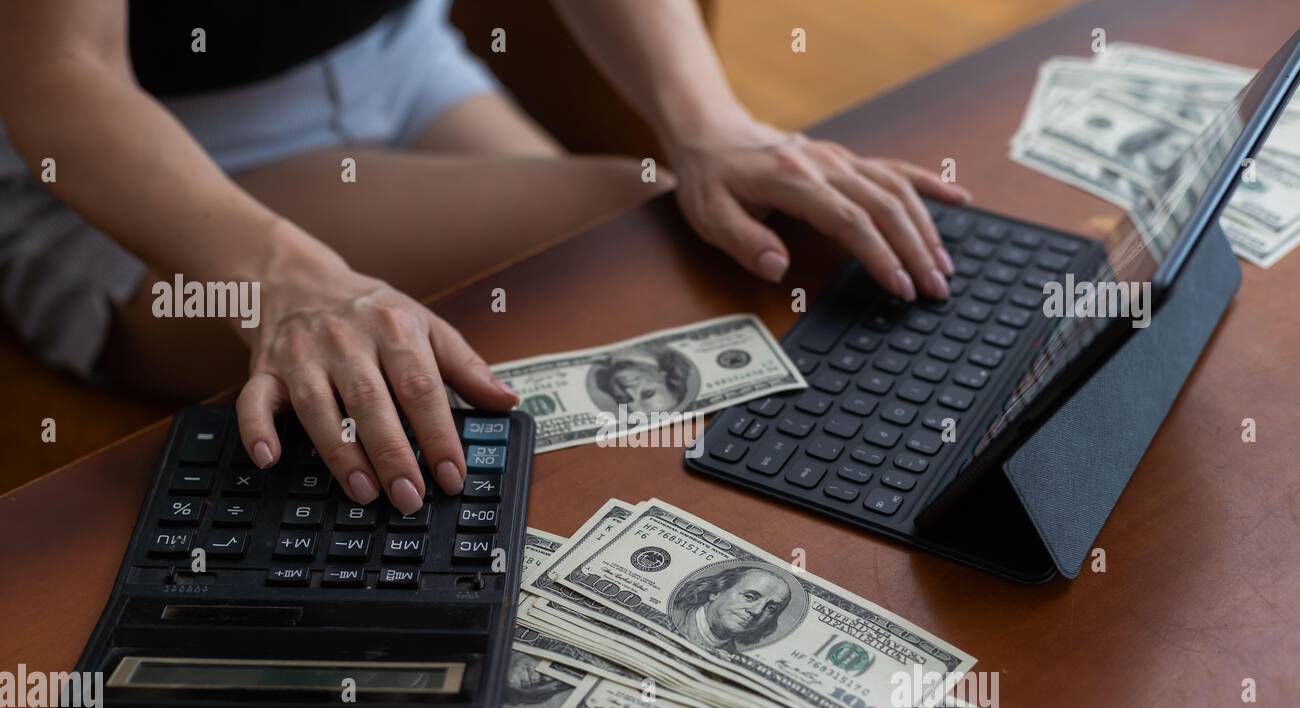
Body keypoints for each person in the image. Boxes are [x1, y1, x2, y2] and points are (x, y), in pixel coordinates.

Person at [0, 0, 970, 516]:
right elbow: (60, 72)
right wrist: (288, 279)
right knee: (633, 262)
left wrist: (711, 122)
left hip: (401, 58)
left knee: (679, 284)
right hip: (129, 171)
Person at [671, 566, 795, 652]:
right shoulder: (671, 616)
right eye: (750, 597)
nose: (756, 611)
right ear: (717, 591)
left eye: (771, 608)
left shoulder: (734, 660)